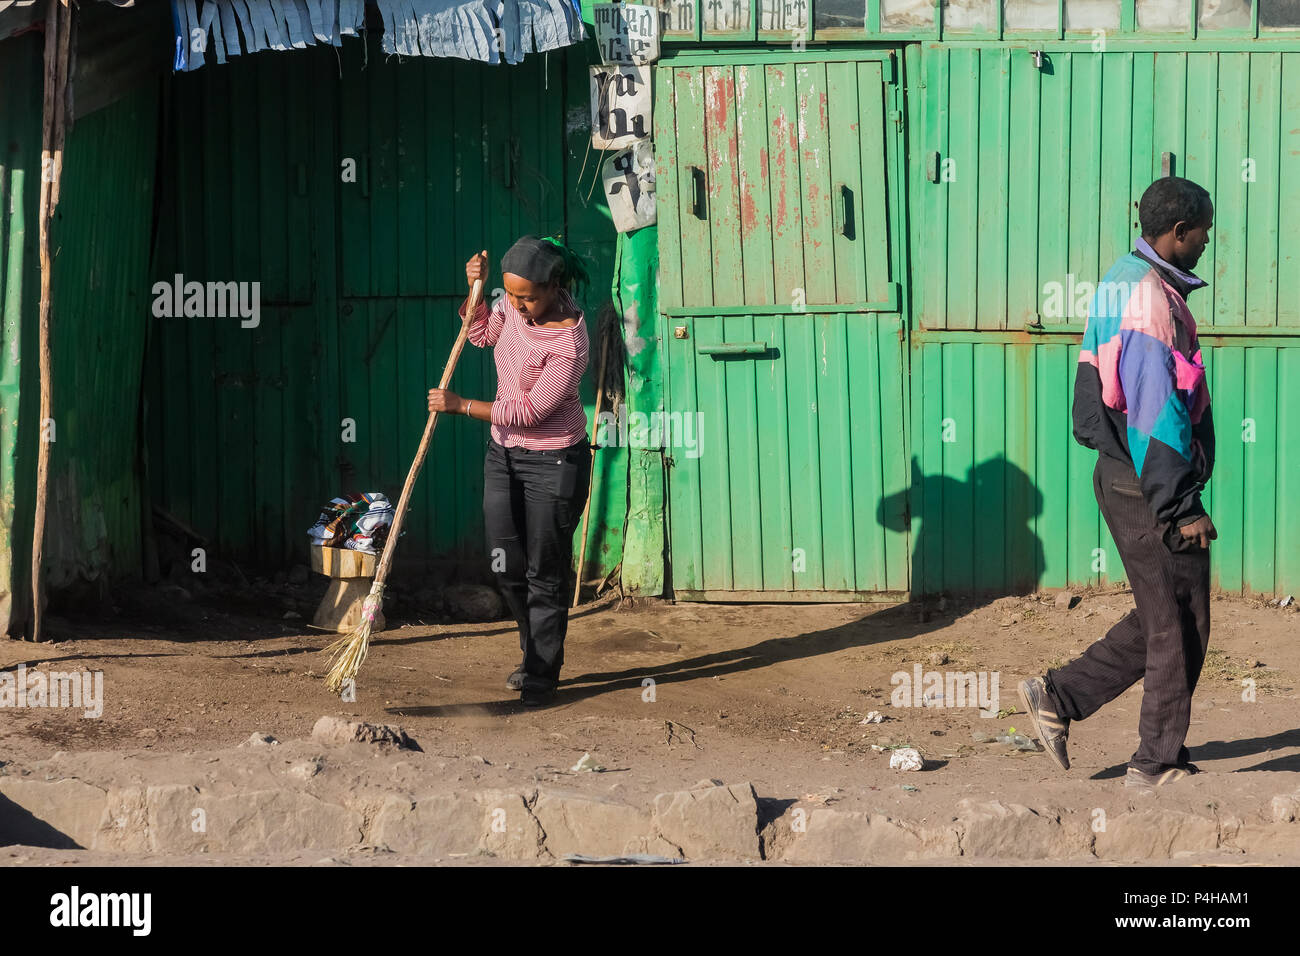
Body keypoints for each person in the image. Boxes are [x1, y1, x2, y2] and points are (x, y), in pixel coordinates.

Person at [1019, 177, 1217, 790]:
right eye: (1204, 232)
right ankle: (1154, 764)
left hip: (1124, 474)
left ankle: (1059, 696)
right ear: (1178, 232)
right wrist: (1181, 505)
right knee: (1176, 624)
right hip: (1147, 483)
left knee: (1165, 614)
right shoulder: (1150, 301)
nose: (1208, 242)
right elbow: (1157, 415)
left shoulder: (1123, 277)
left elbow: (1089, 393)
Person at [426, 236, 592, 707]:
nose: (518, 307)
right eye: (511, 295)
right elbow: (480, 334)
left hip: (555, 461)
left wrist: (462, 406)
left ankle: (542, 673)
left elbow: (528, 413)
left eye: (528, 297)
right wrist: (475, 293)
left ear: (554, 287)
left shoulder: (569, 341)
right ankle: (532, 650)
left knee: (546, 571)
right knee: (507, 563)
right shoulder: (510, 306)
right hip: (504, 456)